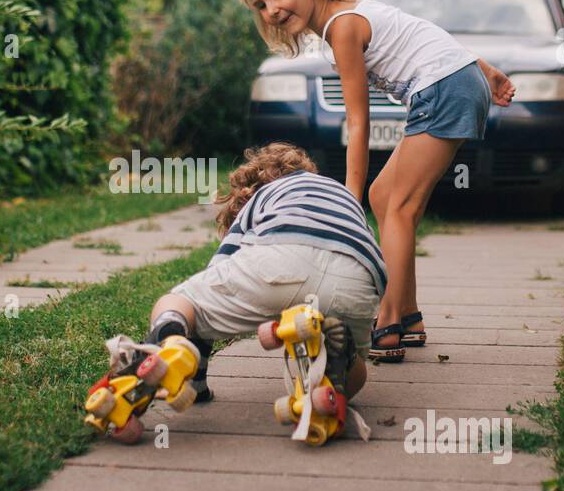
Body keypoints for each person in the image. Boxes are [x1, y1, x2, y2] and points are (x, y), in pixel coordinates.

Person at [235, 0, 516, 362]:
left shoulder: (343, 26)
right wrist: (485, 68)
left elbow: (358, 120)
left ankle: (384, 324)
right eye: (260, 4)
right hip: (452, 81)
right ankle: (408, 315)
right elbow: (422, 33)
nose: (271, 9)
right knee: (388, 197)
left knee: (396, 205)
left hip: (443, 89)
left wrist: (349, 196)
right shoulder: (347, 14)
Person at [141, 142, 384, 408]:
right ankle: (342, 364)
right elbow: (369, 250)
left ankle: (169, 345)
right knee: (357, 374)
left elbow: (220, 267)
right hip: (357, 278)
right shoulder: (342, 195)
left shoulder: (263, 195)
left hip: (283, 256)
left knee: (184, 301)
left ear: (248, 189)